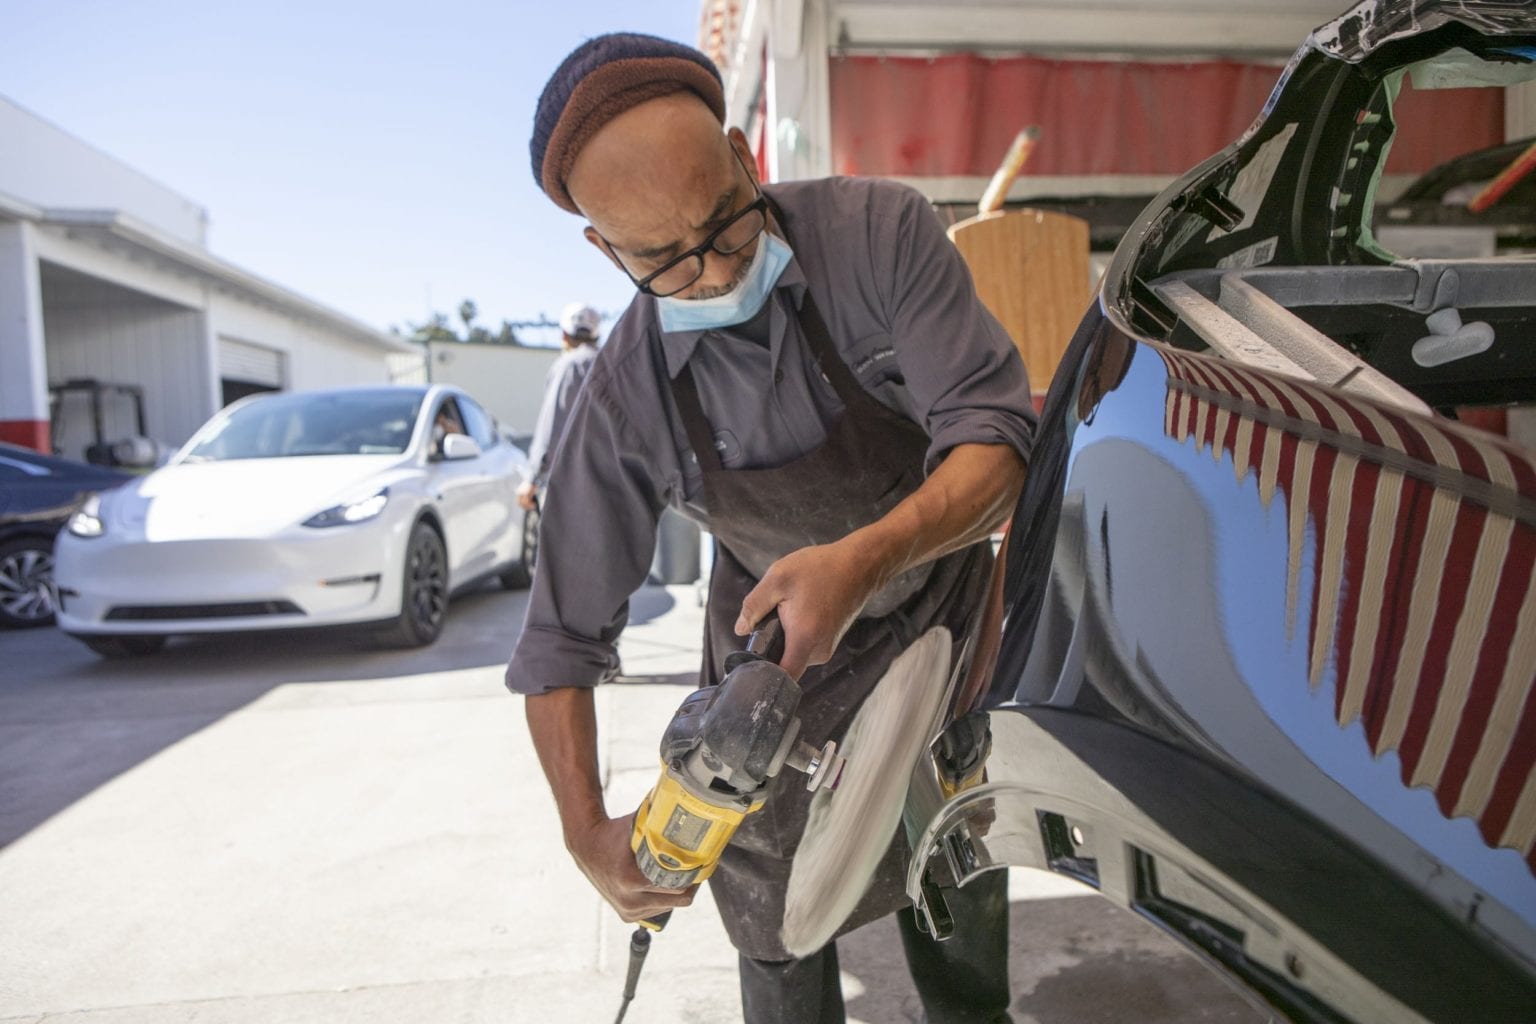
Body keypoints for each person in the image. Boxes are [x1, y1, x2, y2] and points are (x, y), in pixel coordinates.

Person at [506, 32, 1034, 1023]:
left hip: (945, 615)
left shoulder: (879, 234)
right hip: (776, 667)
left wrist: (868, 556)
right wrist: (587, 832)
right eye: (663, 261)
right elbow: (557, 644)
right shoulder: (623, 399)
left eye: (726, 225)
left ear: (747, 155)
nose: (709, 272)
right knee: (774, 914)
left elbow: (999, 445)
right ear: (602, 247)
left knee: (955, 864)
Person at [517, 302, 602, 512]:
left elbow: (553, 425)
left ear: (564, 335)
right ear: (597, 335)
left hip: (573, 487)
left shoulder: (569, 366)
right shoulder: (613, 363)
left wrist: (532, 477)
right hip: (614, 485)